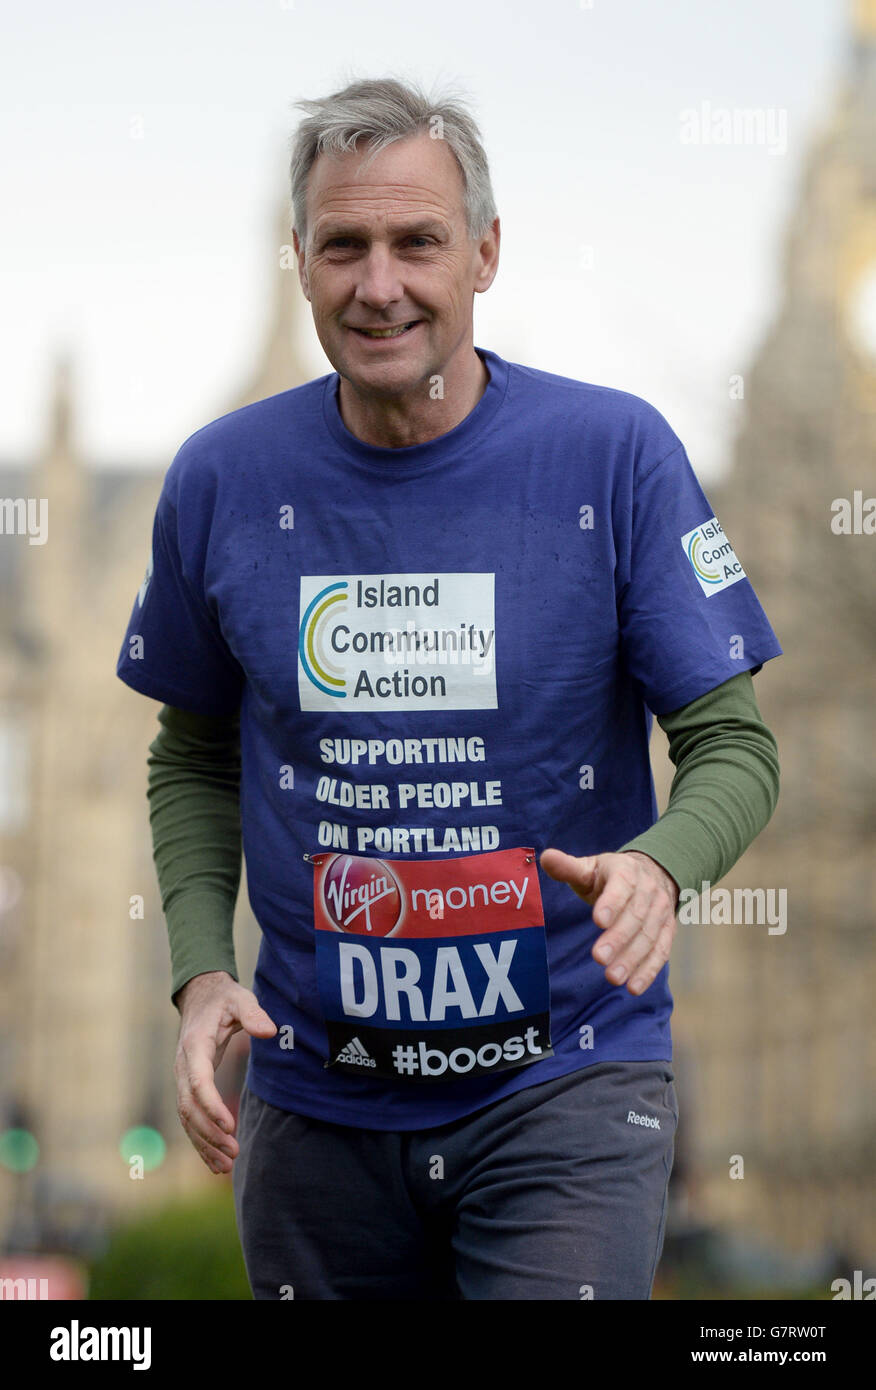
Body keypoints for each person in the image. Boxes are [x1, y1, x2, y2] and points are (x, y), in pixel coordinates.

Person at [116, 76, 781, 1301]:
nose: (380, 285)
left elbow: (735, 744)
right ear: (302, 264)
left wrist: (660, 862)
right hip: (314, 1102)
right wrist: (203, 966)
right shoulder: (219, 479)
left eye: (417, 242)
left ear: (483, 253)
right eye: (343, 246)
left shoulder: (616, 457)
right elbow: (192, 752)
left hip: (565, 1087)